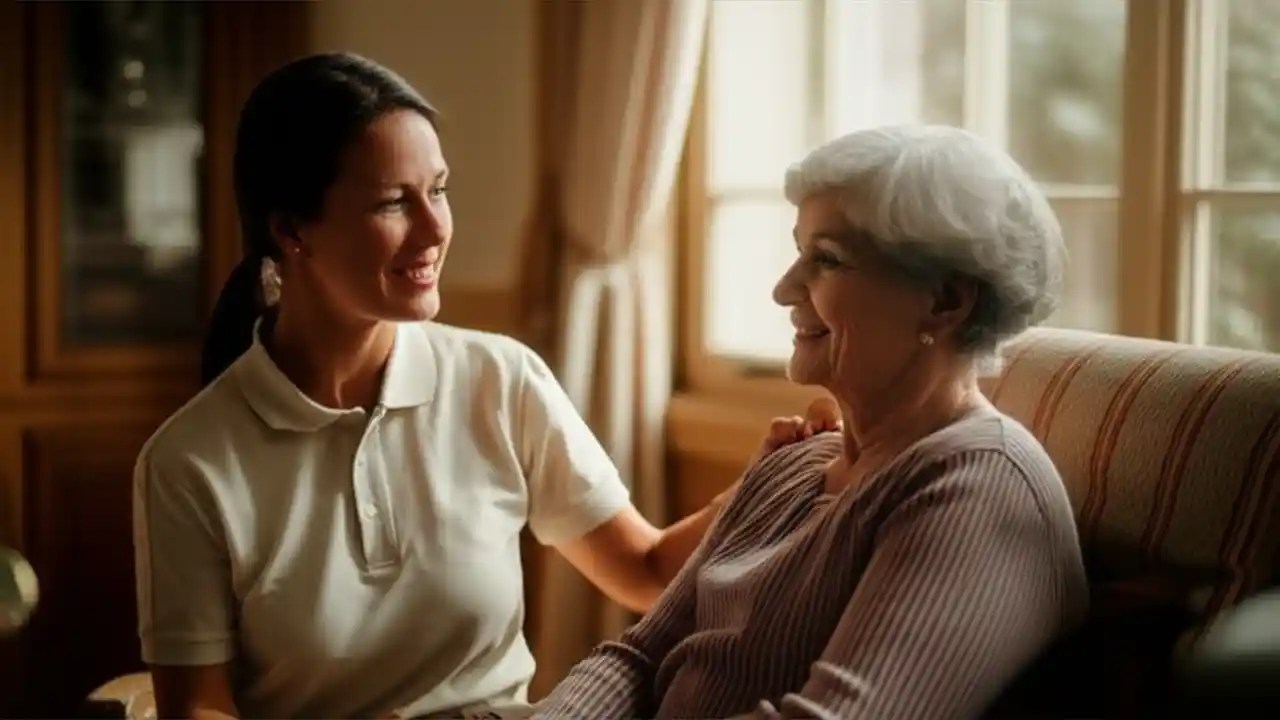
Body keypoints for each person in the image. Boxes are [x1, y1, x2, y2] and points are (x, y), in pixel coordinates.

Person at [131, 52, 834, 720]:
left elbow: (645, 570)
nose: (435, 228)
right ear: (291, 230)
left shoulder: (500, 380)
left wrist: (766, 486)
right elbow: (197, 706)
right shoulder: (189, 462)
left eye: (438, 190)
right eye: (391, 204)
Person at [532, 125, 1089, 720]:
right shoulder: (795, 463)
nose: (782, 289)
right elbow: (637, 658)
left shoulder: (979, 486)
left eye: (826, 259)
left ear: (946, 301)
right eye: (799, 252)